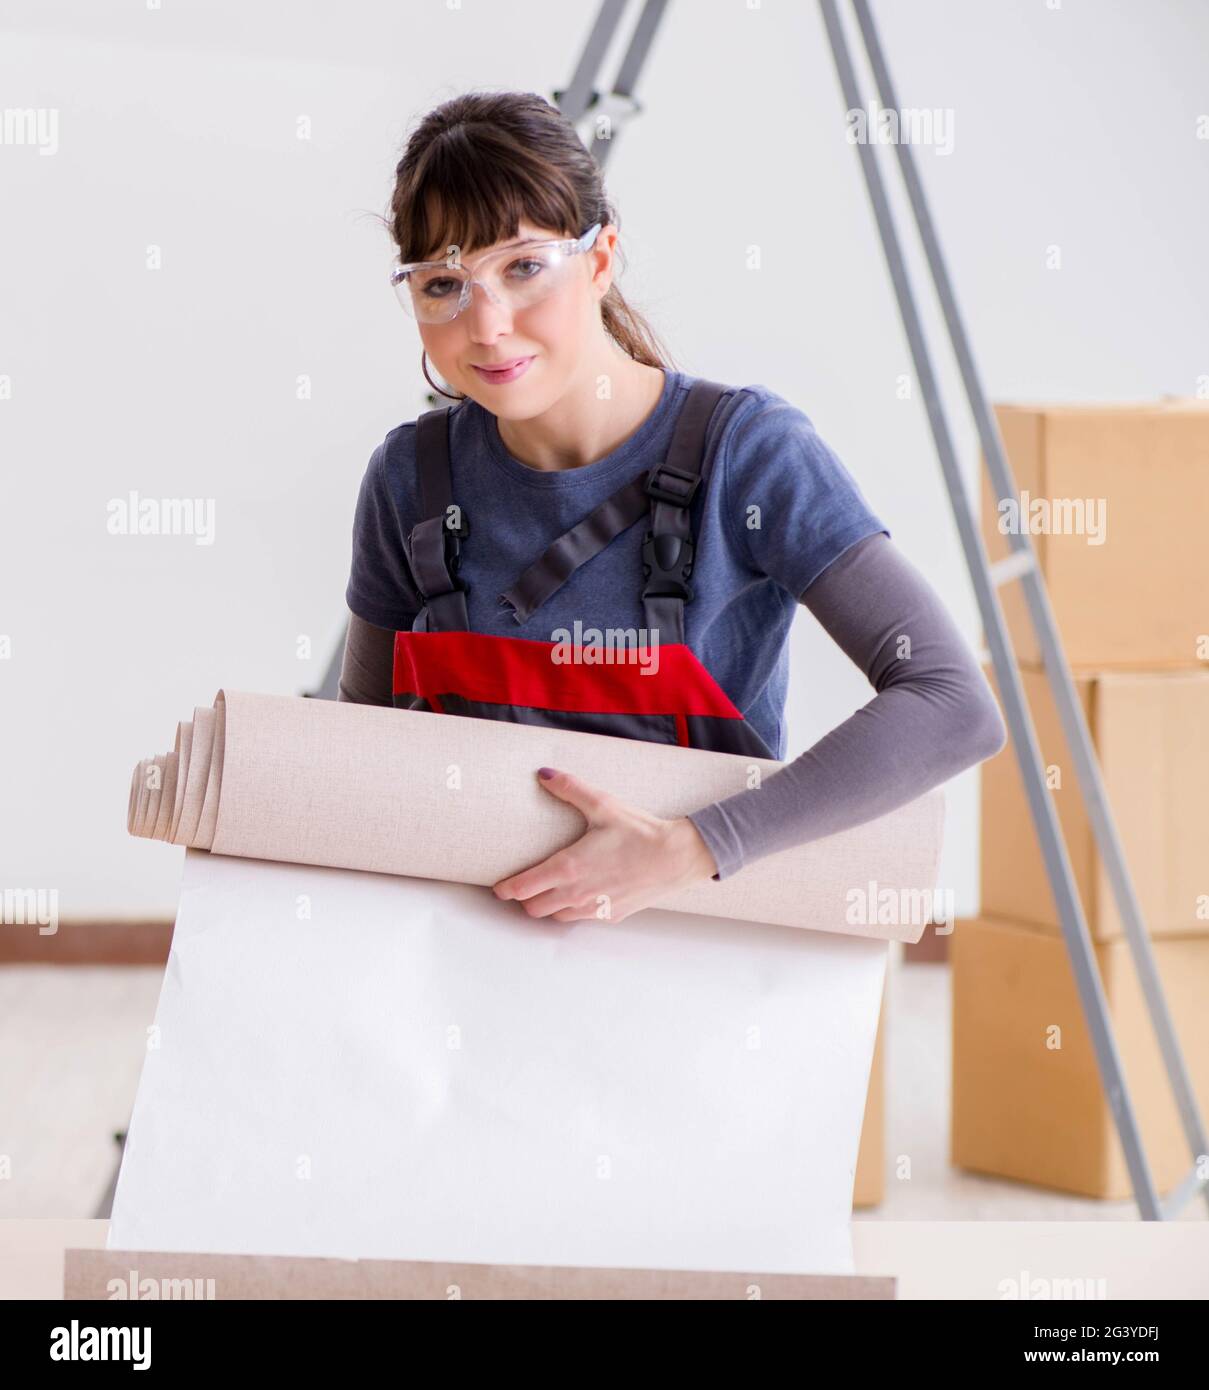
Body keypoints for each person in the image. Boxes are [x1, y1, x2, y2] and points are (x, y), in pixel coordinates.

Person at [339, 89, 1006, 926]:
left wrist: (695, 846)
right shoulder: (410, 480)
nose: (488, 326)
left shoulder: (749, 456)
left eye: (523, 266)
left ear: (601, 256)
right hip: (466, 966)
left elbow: (951, 703)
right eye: (443, 284)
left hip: (698, 957)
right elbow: (358, 751)